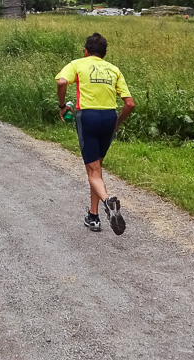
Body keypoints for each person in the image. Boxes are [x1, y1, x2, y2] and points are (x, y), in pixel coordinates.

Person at [55, 32, 134, 235]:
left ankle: (107, 203)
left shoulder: (77, 64)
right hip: (109, 117)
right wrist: (117, 123)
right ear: (104, 53)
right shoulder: (114, 69)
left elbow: (62, 82)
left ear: (85, 51)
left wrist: (62, 106)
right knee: (96, 169)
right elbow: (129, 104)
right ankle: (93, 216)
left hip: (87, 117)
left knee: (92, 170)